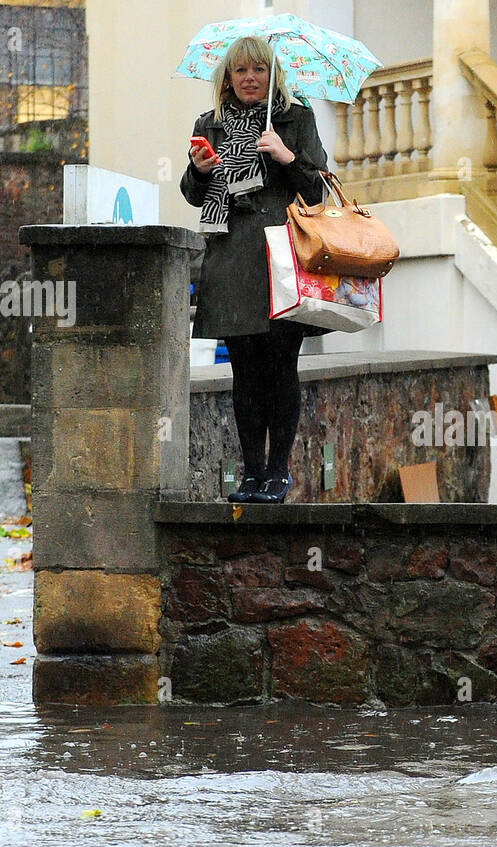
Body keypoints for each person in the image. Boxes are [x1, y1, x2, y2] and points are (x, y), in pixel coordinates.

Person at [180, 35, 331, 503]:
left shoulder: (294, 118)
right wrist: (200, 170)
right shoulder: (211, 124)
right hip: (230, 259)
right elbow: (193, 194)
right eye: (240, 71)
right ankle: (251, 473)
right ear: (228, 78)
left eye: (258, 70)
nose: (249, 78)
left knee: (282, 366)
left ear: (272, 76)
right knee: (244, 372)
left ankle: (279, 471)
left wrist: (287, 156)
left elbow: (320, 188)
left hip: (281, 259)